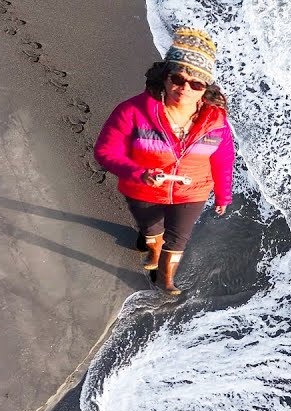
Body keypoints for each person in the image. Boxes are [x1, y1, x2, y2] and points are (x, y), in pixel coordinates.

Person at [93, 27, 235, 295]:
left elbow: (224, 158)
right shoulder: (132, 111)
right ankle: (152, 251)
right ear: (165, 77)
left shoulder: (216, 121)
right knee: (150, 227)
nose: (184, 88)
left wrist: (223, 195)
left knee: (179, 238)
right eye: (178, 78)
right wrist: (138, 172)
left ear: (205, 89)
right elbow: (105, 151)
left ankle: (165, 279)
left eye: (196, 84)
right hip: (143, 189)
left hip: (192, 191)